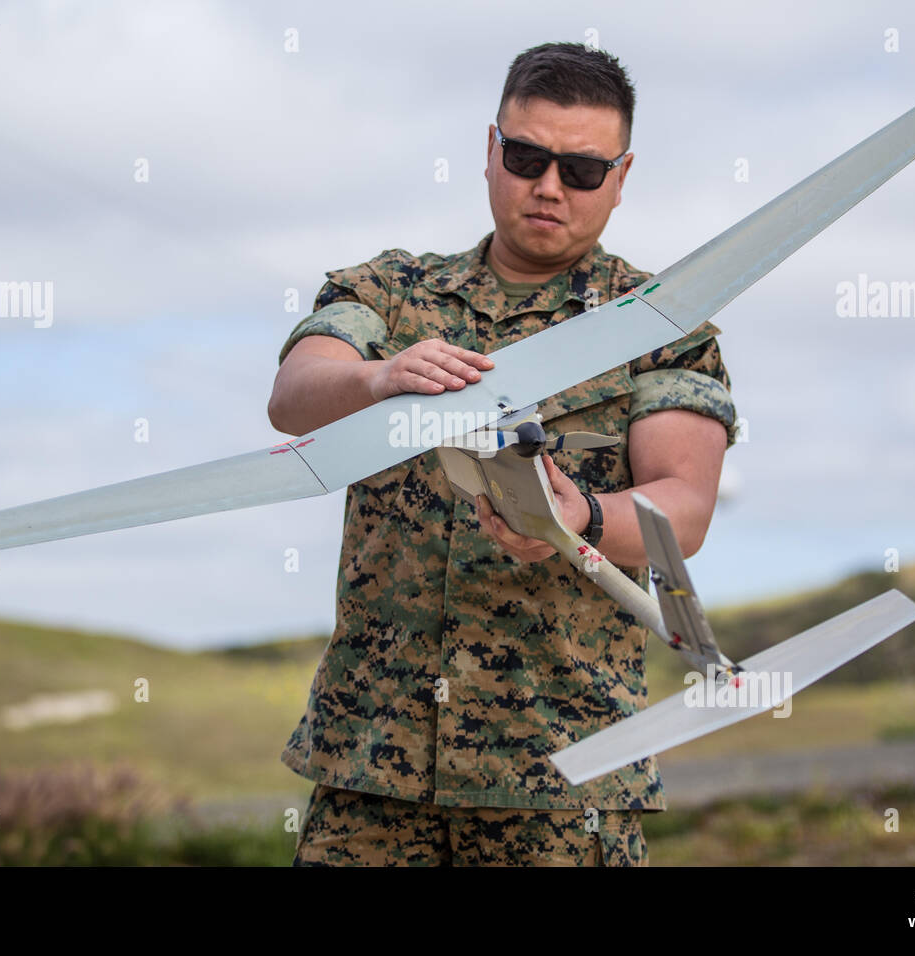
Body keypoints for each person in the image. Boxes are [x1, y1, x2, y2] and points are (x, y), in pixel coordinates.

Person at [267, 41, 737, 866]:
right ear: (490, 152)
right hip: (372, 764)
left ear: (622, 178)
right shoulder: (393, 290)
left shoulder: (661, 326)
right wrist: (379, 380)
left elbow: (684, 507)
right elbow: (295, 394)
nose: (548, 187)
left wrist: (580, 515)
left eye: (582, 170)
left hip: (563, 777)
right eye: (525, 158)